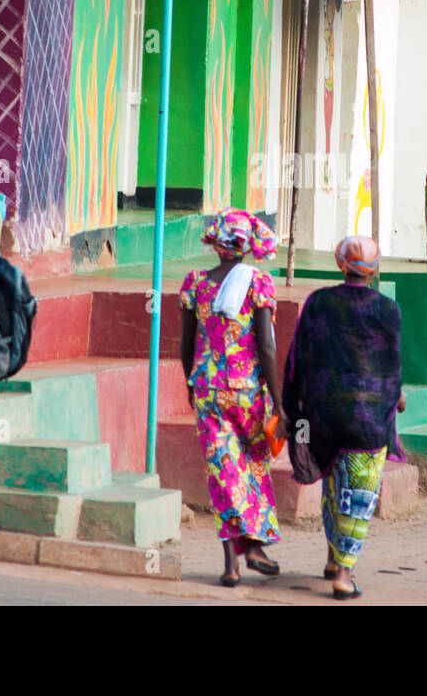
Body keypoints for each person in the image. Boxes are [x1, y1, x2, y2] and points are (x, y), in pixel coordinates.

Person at [283, 235, 406, 600]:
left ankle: (331, 557)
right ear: (374, 269)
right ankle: (344, 574)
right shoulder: (387, 310)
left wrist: (293, 408)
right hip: (368, 419)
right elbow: (390, 366)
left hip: (323, 415)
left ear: (341, 264)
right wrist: (395, 397)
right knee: (360, 495)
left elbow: (297, 360)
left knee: (334, 486)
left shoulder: (319, 302)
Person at [179, 207, 284, 587]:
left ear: (216, 242)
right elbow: (267, 348)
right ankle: (254, 545)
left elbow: (187, 344)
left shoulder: (195, 283)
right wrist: (279, 401)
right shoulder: (258, 283)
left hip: (208, 390)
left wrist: (192, 385)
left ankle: (232, 565)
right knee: (253, 469)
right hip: (248, 393)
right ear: (247, 245)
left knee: (223, 474)